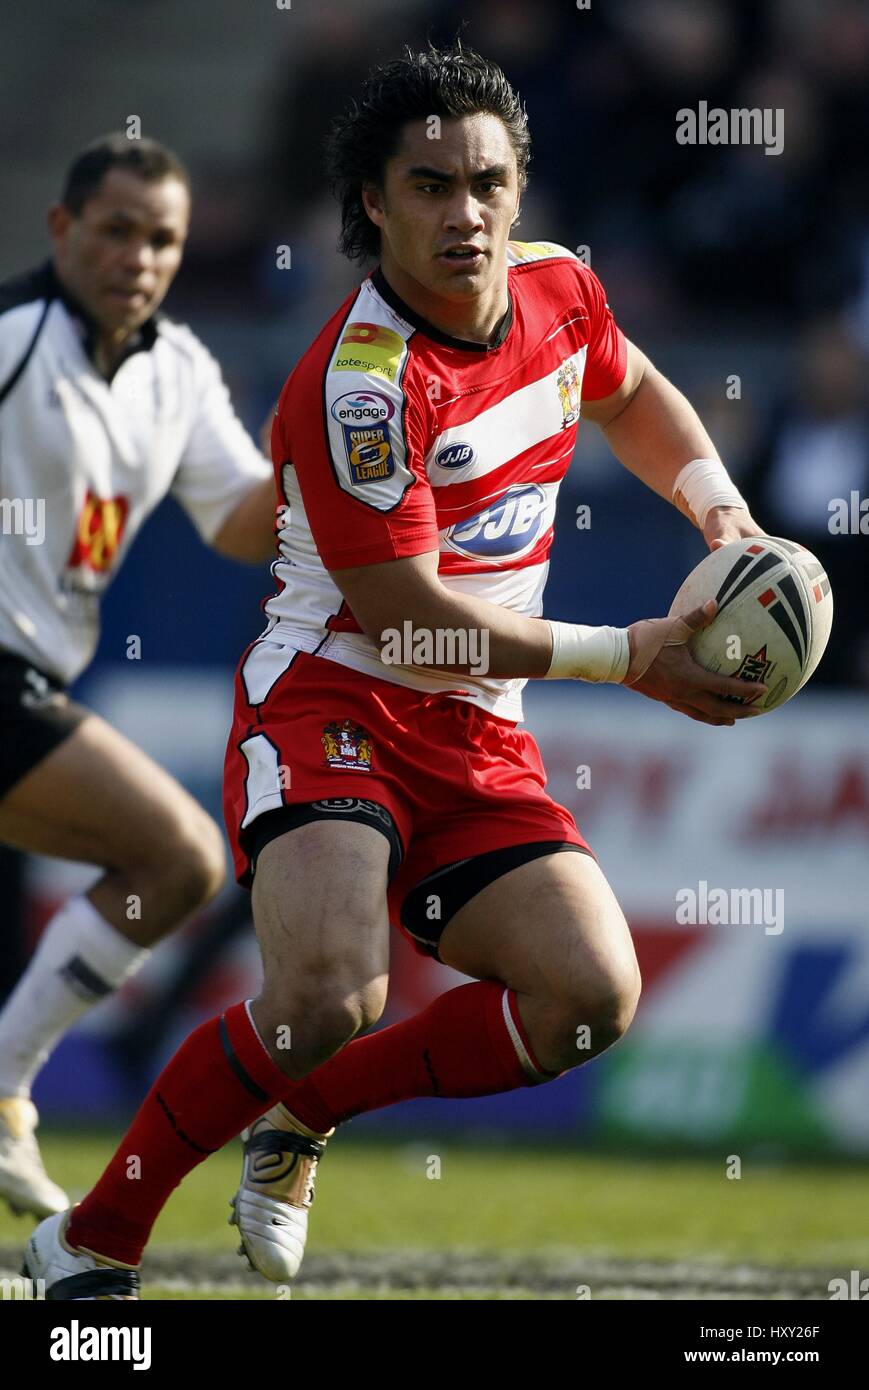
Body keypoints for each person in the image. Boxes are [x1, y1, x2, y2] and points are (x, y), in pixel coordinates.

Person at [23, 42, 765, 1300]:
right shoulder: (357, 388)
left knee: (587, 997)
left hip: (477, 731)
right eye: (427, 186)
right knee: (325, 992)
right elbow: (406, 612)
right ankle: (87, 1243)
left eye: (485, 182)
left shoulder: (559, 292)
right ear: (371, 203)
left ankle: (300, 1120)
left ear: (520, 188)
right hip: (335, 698)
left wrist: (721, 513)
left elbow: (628, 389)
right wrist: (622, 655)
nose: (463, 212)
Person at [0, 134, 276, 1220]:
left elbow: (243, 520)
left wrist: (352, 464)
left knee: (173, 861)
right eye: (116, 230)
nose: (139, 257)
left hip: (29, 681)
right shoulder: (16, 338)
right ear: (63, 229)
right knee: (175, 854)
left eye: (162, 238)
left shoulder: (179, 371)